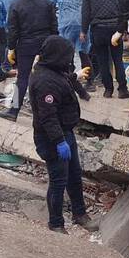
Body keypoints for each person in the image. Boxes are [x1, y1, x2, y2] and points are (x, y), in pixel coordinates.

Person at [29, 36, 98, 233]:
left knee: (74, 175)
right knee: (58, 180)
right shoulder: (44, 82)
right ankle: (56, 223)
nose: (69, 61)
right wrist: (59, 141)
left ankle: (80, 214)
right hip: (52, 138)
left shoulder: (53, 71)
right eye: (67, 57)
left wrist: (76, 78)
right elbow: (48, 117)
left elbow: (66, 79)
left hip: (65, 132)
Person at [0, 0, 58, 121]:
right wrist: (52, 42)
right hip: (46, 43)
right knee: (48, 78)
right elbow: (54, 25)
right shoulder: (46, 1)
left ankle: (13, 111)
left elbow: (13, 30)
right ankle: (50, 111)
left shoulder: (16, 4)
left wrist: (11, 48)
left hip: (26, 46)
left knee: (22, 79)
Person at [81, 0, 129, 98]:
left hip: (98, 29)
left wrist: (83, 31)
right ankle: (122, 89)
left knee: (103, 60)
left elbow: (85, 14)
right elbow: (122, 11)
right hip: (115, 29)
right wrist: (123, 29)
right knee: (118, 59)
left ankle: (108, 90)